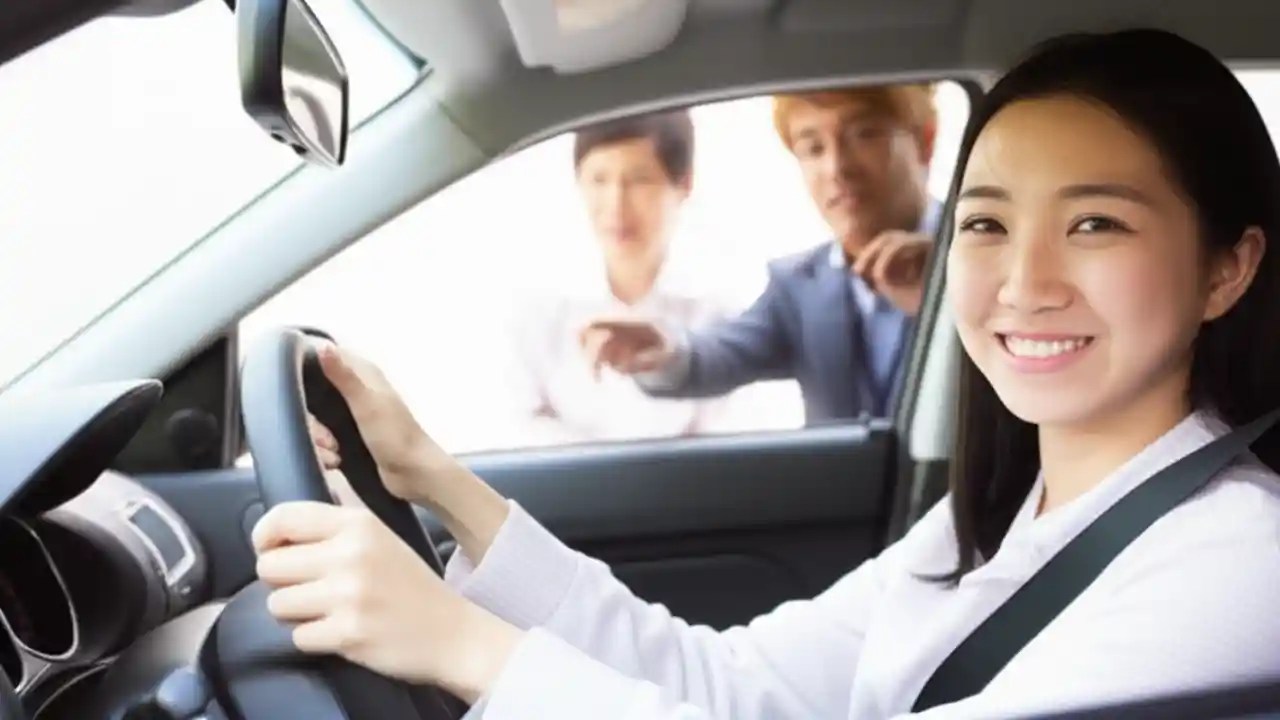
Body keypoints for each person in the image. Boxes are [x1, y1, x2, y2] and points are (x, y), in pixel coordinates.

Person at [252, 29, 1280, 718]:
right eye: (985, 223)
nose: (1022, 281)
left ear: (1224, 270)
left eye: (1094, 223)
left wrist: (459, 646)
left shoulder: (1238, 555)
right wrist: (437, 480)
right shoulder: (997, 513)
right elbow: (735, 685)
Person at [579, 83, 943, 424]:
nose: (837, 168)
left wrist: (950, 297)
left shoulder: (983, 255)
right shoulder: (800, 287)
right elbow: (719, 354)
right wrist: (665, 350)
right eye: (813, 148)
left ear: (925, 141)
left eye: (865, 135)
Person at [503, 109, 743, 447]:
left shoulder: (720, 310)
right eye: (599, 180)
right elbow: (518, 430)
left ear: (684, 184)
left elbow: (731, 443)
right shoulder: (538, 307)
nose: (615, 205)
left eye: (638, 180)